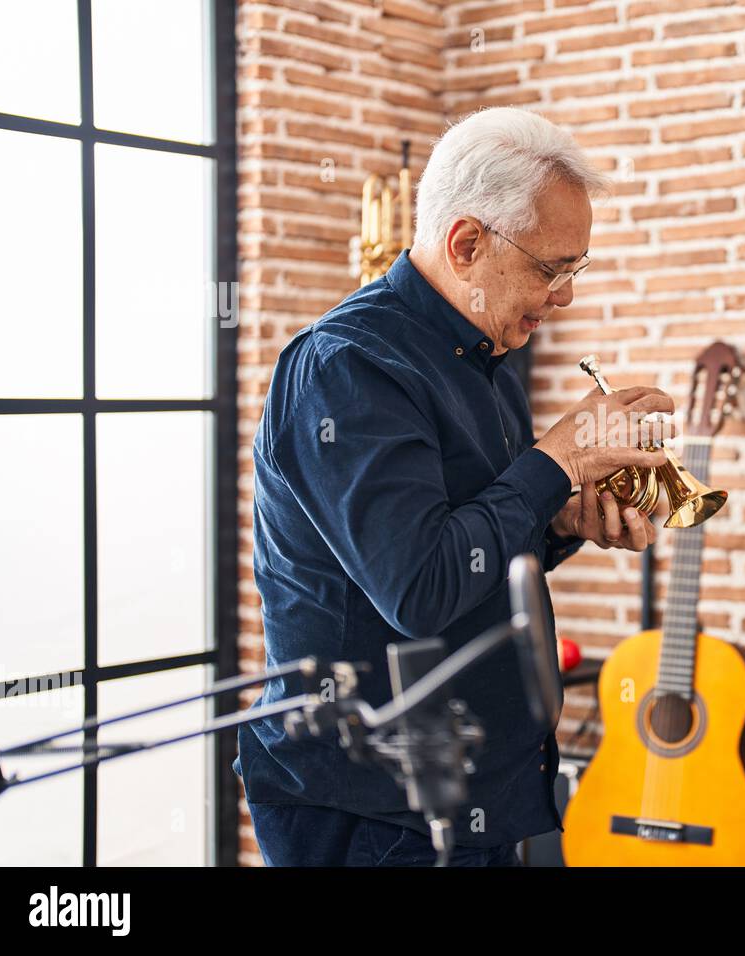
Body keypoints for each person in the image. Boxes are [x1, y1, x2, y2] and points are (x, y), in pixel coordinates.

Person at [233, 107, 675, 866]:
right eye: (551, 268)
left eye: (577, 268)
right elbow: (420, 587)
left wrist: (561, 519)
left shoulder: (489, 354)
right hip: (373, 808)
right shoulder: (346, 367)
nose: (565, 295)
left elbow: (471, 547)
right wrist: (557, 460)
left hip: (479, 792)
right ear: (467, 243)